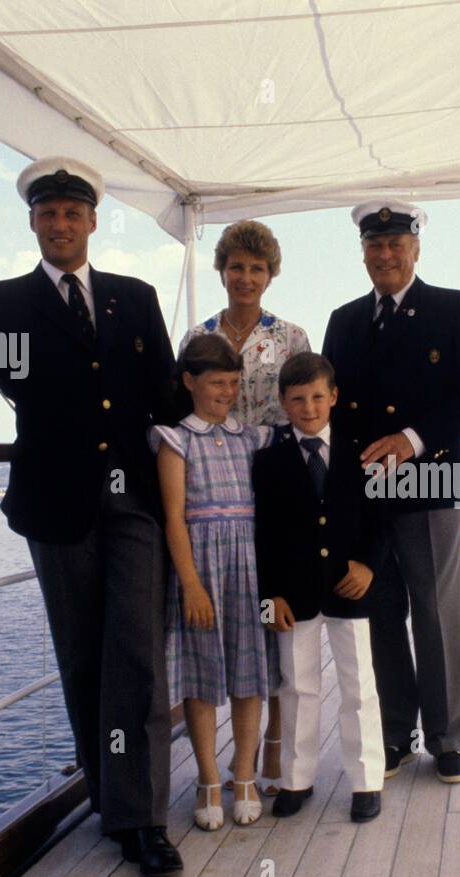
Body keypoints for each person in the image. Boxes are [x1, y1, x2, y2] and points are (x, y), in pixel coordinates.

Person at [0, 157, 183, 877]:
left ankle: (144, 817)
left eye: (72, 213)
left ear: (93, 221)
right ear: (34, 222)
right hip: (54, 501)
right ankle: (111, 800)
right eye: (48, 214)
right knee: (85, 658)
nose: (60, 224)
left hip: (136, 503)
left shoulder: (136, 297)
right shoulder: (2, 304)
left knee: (139, 656)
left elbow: (168, 398)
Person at [321, 201, 460, 784]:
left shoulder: (455, 308)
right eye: (375, 245)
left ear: (416, 248)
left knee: (436, 611)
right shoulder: (344, 321)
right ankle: (396, 734)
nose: (385, 255)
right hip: (367, 488)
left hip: (430, 479)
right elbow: (335, 416)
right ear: (363, 252)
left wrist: (411, 439)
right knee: (380, 612)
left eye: (396, 244)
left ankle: (447, 738)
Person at [178, 220, 311, 795]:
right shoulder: (198, 337)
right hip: (216, 491)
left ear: (270, 274)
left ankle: (273, 757)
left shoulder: (291, 337)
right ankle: (226, 768)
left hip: (275, 485)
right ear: (222, 271)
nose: (247, 277)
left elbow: (309, 410)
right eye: (237, 267)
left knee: (273, 627)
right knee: (230, 629)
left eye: (257, 268)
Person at [151, 333, 279, 830]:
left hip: (246, 566)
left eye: (232, 383)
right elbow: (174, 519)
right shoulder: (175, 440)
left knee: (250, 674)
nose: (226, 392)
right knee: (201, 679)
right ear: (189, 382)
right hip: (201, 565)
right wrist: (191, 585)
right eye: (216, 383)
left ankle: (242, 773)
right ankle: (207, 777)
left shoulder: (251, 437)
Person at [253, 353, 386, 823]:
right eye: (297, 399)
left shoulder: (362, 452)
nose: (308, 408)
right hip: (293, 596)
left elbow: (381, 518)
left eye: (316, 397)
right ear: (283, 404)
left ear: (333, 396)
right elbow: (262, 535)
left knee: (358, 686)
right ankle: (296, 778)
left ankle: (367, 780)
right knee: (297, 686)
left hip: (352, 589)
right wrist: (269, 598)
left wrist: (369, 565)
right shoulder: (267, 462)